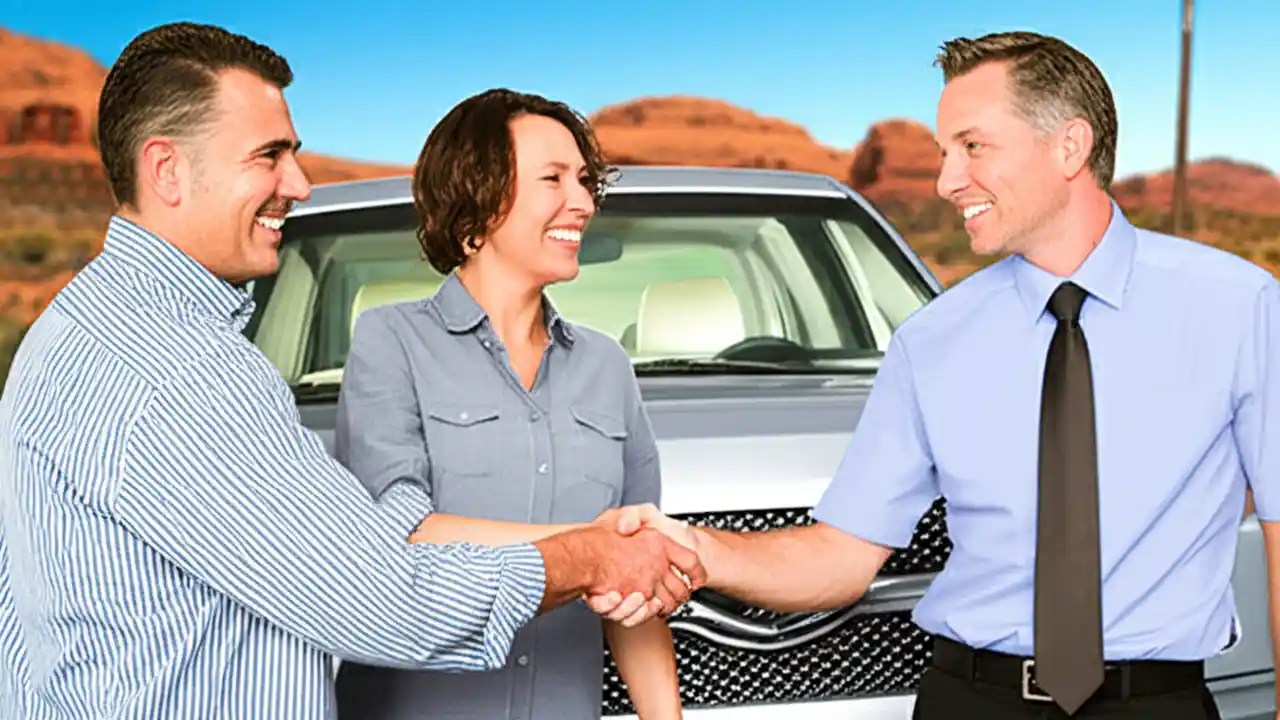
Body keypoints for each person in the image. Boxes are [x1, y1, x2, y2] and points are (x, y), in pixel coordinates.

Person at [0, 22, 704, 719]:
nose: (299, 185)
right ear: (167, 170)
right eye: (268, 156)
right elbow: (386, 597)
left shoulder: (71, 332)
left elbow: (20, 623)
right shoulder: (181, 372)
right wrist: (587, 555)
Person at [595, 30, 1280, 719]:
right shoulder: (930, 340)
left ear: (1070, 147)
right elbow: (841, 555)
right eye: (943, 153)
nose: (947, 181)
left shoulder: (1239, 307)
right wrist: (700, 550)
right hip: (969, 701)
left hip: (1156, 705)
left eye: (973, 147)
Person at [331, 88, 684, 720]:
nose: (581, 201)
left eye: (583, 180)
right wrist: (593, 549)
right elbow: (402, 536)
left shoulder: (607, 367)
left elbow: (636, 588)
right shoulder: (390, 342)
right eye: (552, 179)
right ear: (479, 198)